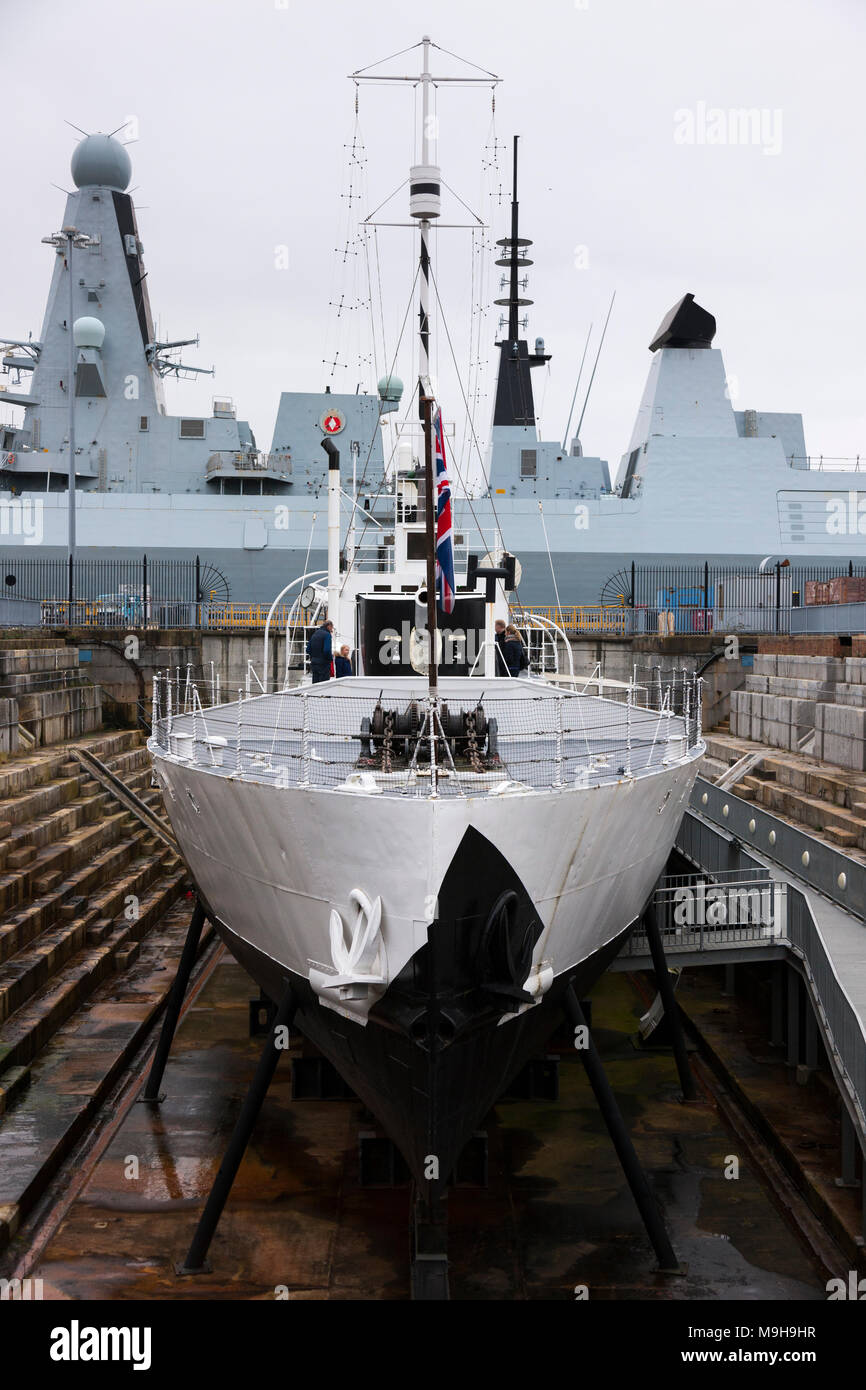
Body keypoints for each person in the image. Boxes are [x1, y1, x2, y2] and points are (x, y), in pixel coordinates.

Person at [307, 619, 334, 684]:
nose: (332, 630)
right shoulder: (327, 635)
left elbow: (308, 649)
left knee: (315, 685)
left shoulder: (315, 634)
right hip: (323, 665)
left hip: (314, 663)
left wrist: (314, 657)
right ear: (329, 626)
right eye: (332, 628)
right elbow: (327, 650)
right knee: (323, 686)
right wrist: (330, 659)